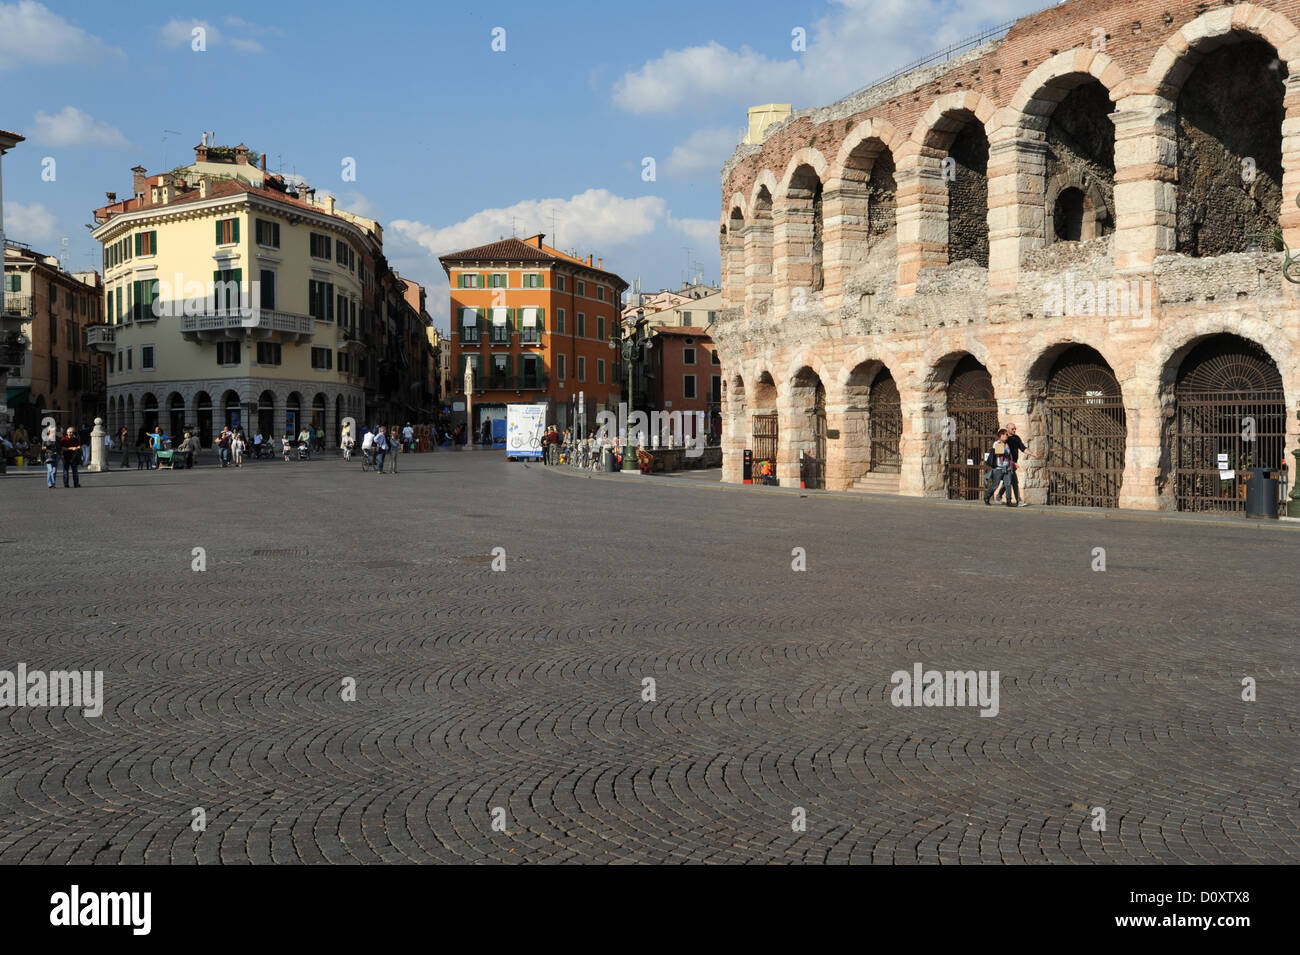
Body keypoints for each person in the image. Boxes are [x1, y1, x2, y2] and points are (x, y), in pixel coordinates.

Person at [1001, 422, 1036, 507]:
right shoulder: (1004, 439)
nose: (1014, 430)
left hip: (1013, 464)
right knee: (1014, 482)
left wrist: (1031, 453)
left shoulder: (1016, 438)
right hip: (1007, 464)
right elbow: (1002, 454)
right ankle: (1018, 501)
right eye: (1012, 429)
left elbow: (1022, 448)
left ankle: (999, 495)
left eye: (1015, 428)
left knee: (1008, 482)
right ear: (1007, 429)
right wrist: (1011, 462)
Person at [984, 429, 1014, 507]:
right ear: (1002, 435)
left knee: (1008, 484)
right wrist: (1002, 448)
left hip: (1007, 467)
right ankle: (987, 497)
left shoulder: (1007, 444)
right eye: (1006, 434)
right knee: (995, 485)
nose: (1007, 436)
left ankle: (1008, 500)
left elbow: (1009, 455)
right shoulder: (996, 443)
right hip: (998, 468)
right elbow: (998, 453)